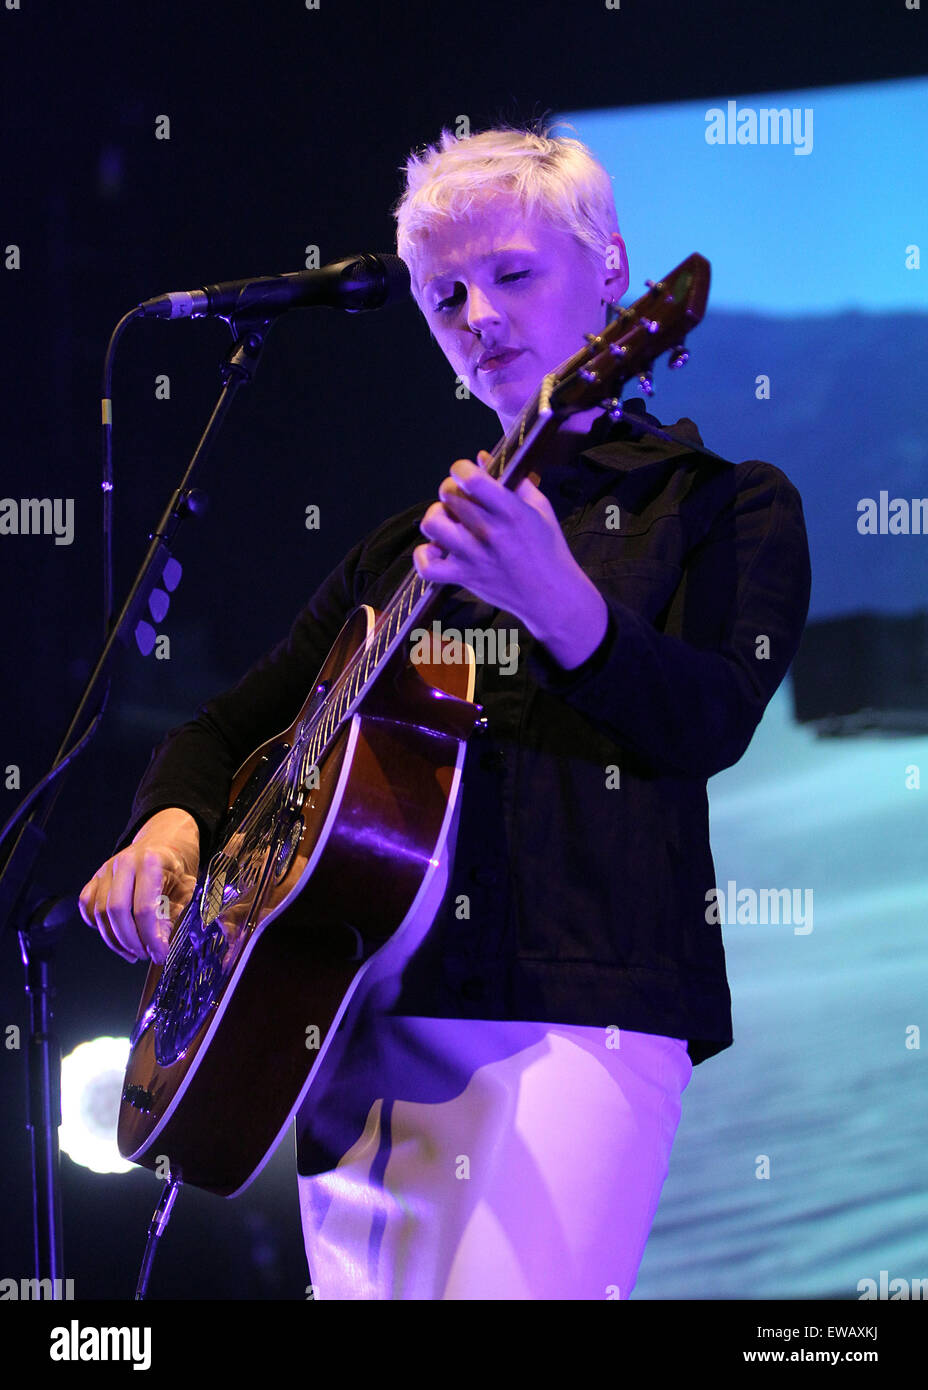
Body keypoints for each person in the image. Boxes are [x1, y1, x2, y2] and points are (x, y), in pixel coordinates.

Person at [79, 125, 812, 1299]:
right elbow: (217, 734)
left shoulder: (722, 505)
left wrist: (563, 607)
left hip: (579, 1009)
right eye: (443, 294)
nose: (478, 313)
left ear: (613, 275)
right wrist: (169, 823)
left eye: (512, 273)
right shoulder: (399, 551)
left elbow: (710, 717)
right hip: (351, 1013)